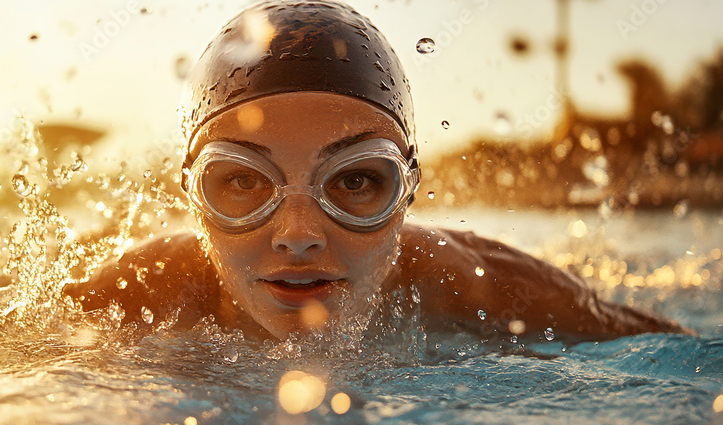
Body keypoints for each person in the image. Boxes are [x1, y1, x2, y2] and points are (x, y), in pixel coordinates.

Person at [64, 0, 690, 343]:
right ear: (193, 197)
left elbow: (677, 348)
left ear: (407, 191)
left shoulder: (469, 282)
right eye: (243, 182)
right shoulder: (142, 290)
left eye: (356, 181)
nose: (299, 234)